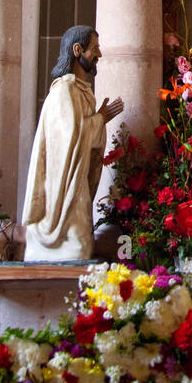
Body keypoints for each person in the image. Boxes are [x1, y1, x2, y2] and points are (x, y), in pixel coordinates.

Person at [22, 26, 123, 262]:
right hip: (63, 185)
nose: (99, 54)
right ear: (78, 50)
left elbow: (80, 134)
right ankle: (40, 238)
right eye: (95, 48)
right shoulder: (64, 91)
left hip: (75, 180)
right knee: (78, 247)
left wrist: (98, 120)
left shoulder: (79, 91)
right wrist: (100, 119)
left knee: (82, 246)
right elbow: (67, 138)